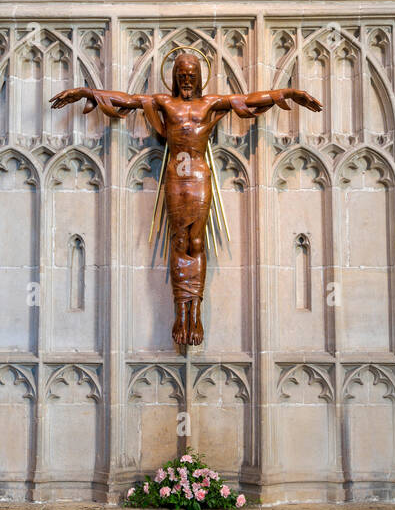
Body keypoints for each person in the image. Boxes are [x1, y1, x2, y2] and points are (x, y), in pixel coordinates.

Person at [51, 52, 320, 345]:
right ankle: (181, 313)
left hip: (200, 175)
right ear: (175, 78)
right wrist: (85, 92)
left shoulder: (210, 103)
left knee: (196, 242)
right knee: (179, 241)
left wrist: (289, 93)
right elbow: (126, 100)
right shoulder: (164, 103)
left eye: (192, 74)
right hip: (176, 176)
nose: (187, 79)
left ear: (199, 77)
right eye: (182, 75)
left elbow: (250, 99)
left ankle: (196, 311)